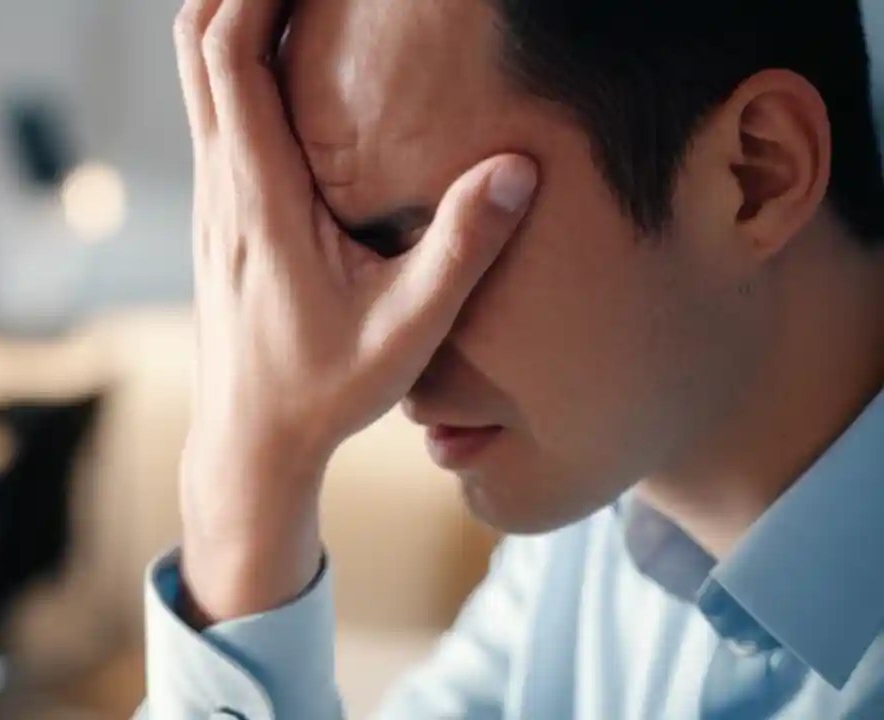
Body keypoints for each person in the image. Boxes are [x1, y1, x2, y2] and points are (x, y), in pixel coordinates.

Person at [139, 0, 884, 716]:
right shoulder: (589, 543)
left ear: (757, 175)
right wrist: (249, 471)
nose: (381, 353)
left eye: (436, 238)